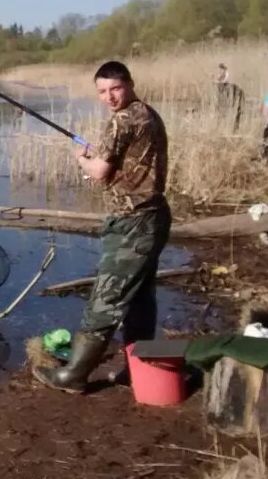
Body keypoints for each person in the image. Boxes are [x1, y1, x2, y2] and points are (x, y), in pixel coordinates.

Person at [34, 61, 171, 394]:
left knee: (106, 299)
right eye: (102, 91)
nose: (109, 97)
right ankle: (137, 370)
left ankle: (73, 375)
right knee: (139, 299)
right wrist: (97, 162)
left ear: (130, 83)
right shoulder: (147, 113)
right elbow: (116, 169)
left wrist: (81, 158)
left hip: (133, 224)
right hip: (153, 218)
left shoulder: (123, 119)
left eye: (116, 88)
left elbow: (98, 172)